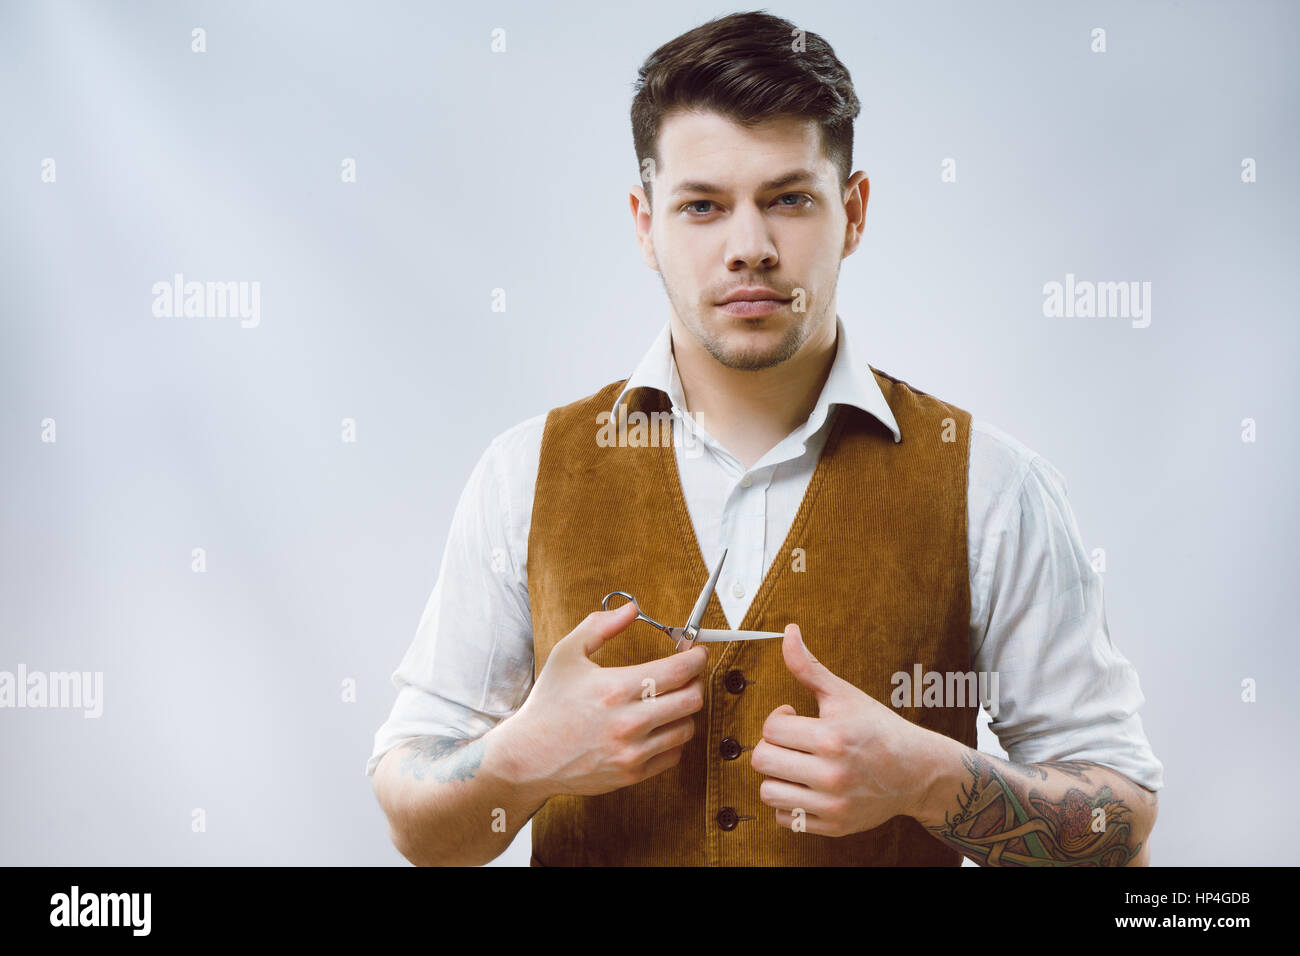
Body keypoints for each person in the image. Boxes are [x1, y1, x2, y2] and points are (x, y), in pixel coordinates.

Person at [368, 10, 1163, 867]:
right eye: (702, 206)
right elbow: (418, 826)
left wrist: (930, 780)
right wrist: (519, 761)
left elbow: (1121, 829)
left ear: (852, 213)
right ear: (645, 224)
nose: (749, 248)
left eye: (789, 199)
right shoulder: (522, 475)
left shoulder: (993, 486)